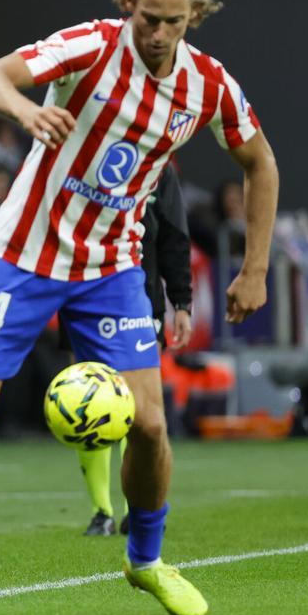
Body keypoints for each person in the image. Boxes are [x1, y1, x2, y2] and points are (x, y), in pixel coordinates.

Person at [0, 0, 278, 615]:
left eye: (173, 22)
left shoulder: (208, 85)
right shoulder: (90, 47)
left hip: (111, 267)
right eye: (148, 17)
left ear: (193, 16)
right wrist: (25, 110)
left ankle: (146, 560)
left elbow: (261, 164)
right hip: (24, 254)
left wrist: (255, 269)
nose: (158, 33)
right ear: (129, 3)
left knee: (150, 424)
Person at [76, 166, 193, 537]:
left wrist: (182, 302)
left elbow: (174, 235)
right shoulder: (81, 160)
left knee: (139, 405)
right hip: (81, 296)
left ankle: (136, 509)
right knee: (86, 398)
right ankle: (101, 510)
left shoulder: (159, 170)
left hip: (140, 299)